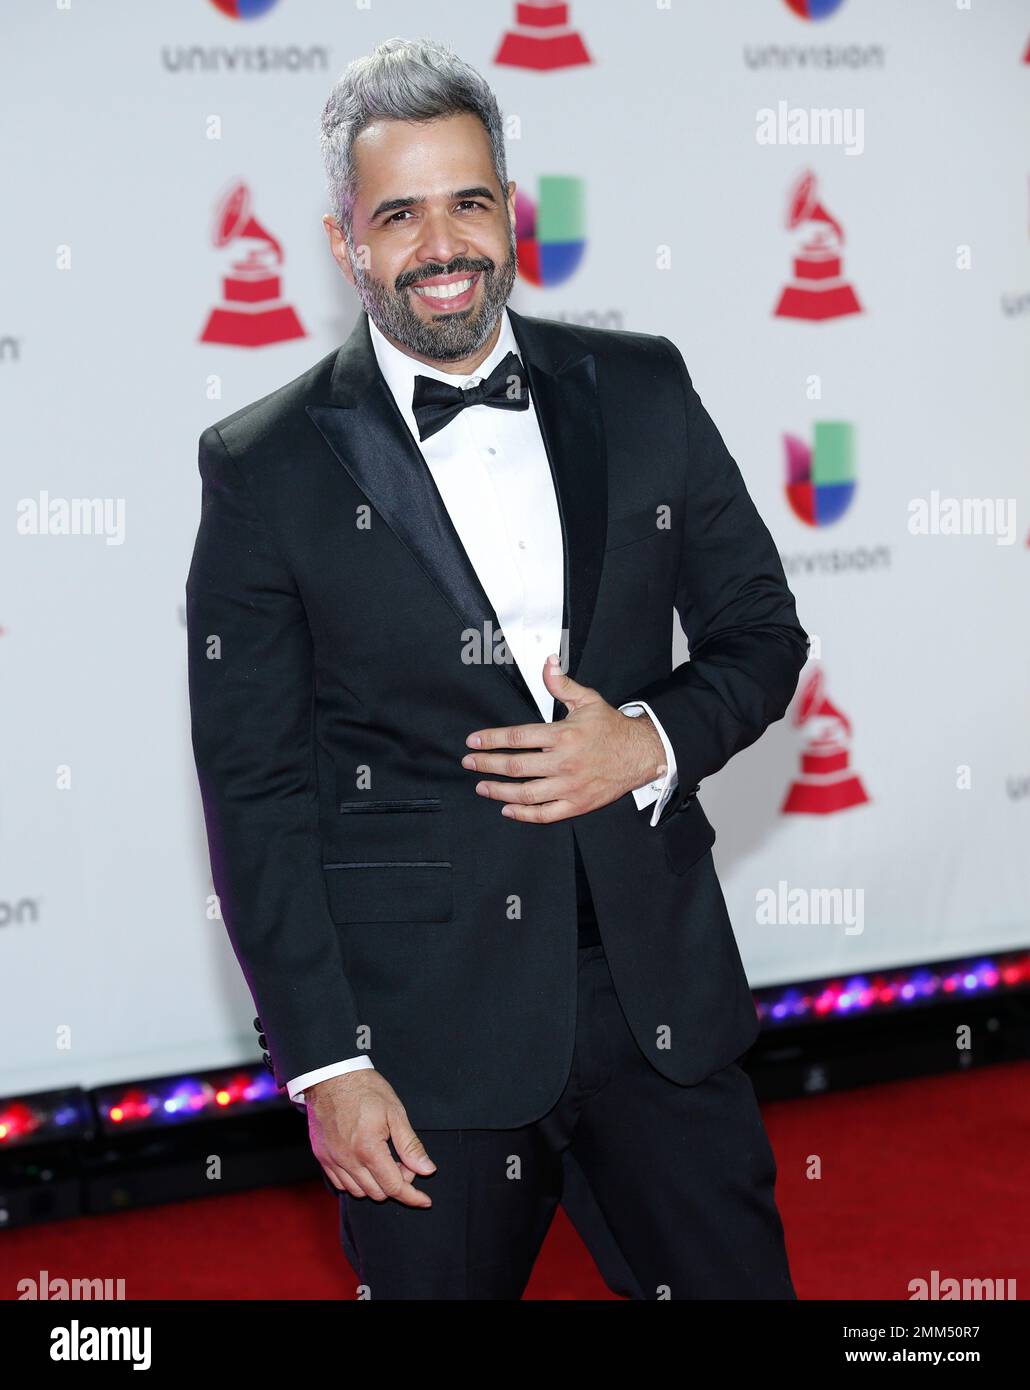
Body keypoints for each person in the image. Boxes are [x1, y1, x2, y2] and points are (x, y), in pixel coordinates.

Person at [186, 36, 809, 1300]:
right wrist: (326, 1066)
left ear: (508, 209)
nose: (442, 244)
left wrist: (651, 735)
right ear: (345, 240)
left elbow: (760, 631)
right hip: (422, 1045)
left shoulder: (641, 387)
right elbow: (254, 792)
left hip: (658, 1001)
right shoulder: (265, 466)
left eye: (467, 201)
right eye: (398, 214)